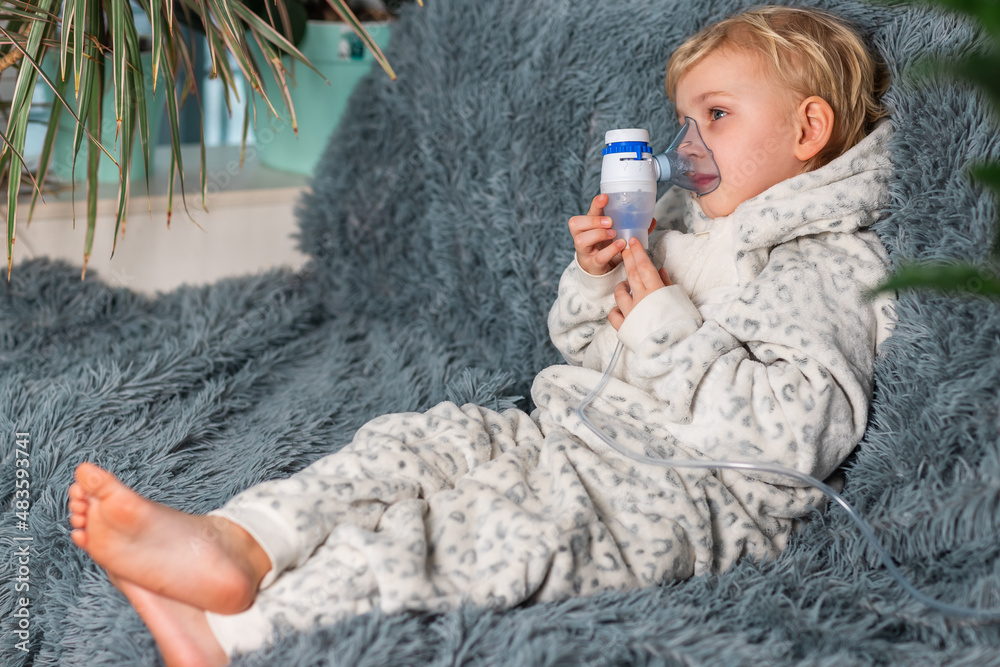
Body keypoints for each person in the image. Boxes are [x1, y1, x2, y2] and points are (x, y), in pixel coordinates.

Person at [66, 6, 895, 666]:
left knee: (484, 530)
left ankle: (236, 629)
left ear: (806, 129)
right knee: (416, 446)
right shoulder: (682, 224)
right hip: (573, 431)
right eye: (684, 119)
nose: (687, 144)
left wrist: (663, 326)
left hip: (686, 493)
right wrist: (599, 280)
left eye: (716, 115)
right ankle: (240, 540)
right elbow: (591, 353)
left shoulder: (823, 263)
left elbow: (789, 435)